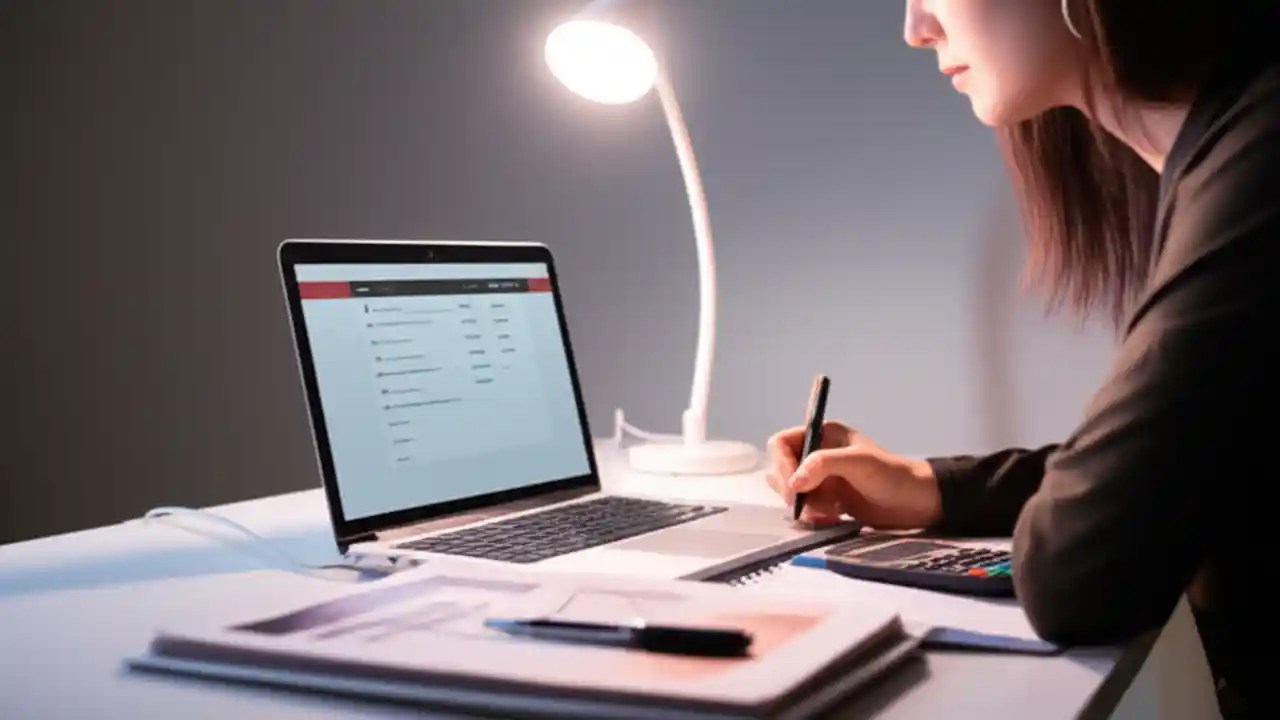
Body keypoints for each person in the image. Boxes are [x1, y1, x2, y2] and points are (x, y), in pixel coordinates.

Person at [764, 1, 1278, 717]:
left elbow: (1083, 570)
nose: (915, 27)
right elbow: (1185, 465)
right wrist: (933, 488)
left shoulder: (1261, 166)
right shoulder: (1232, 144)